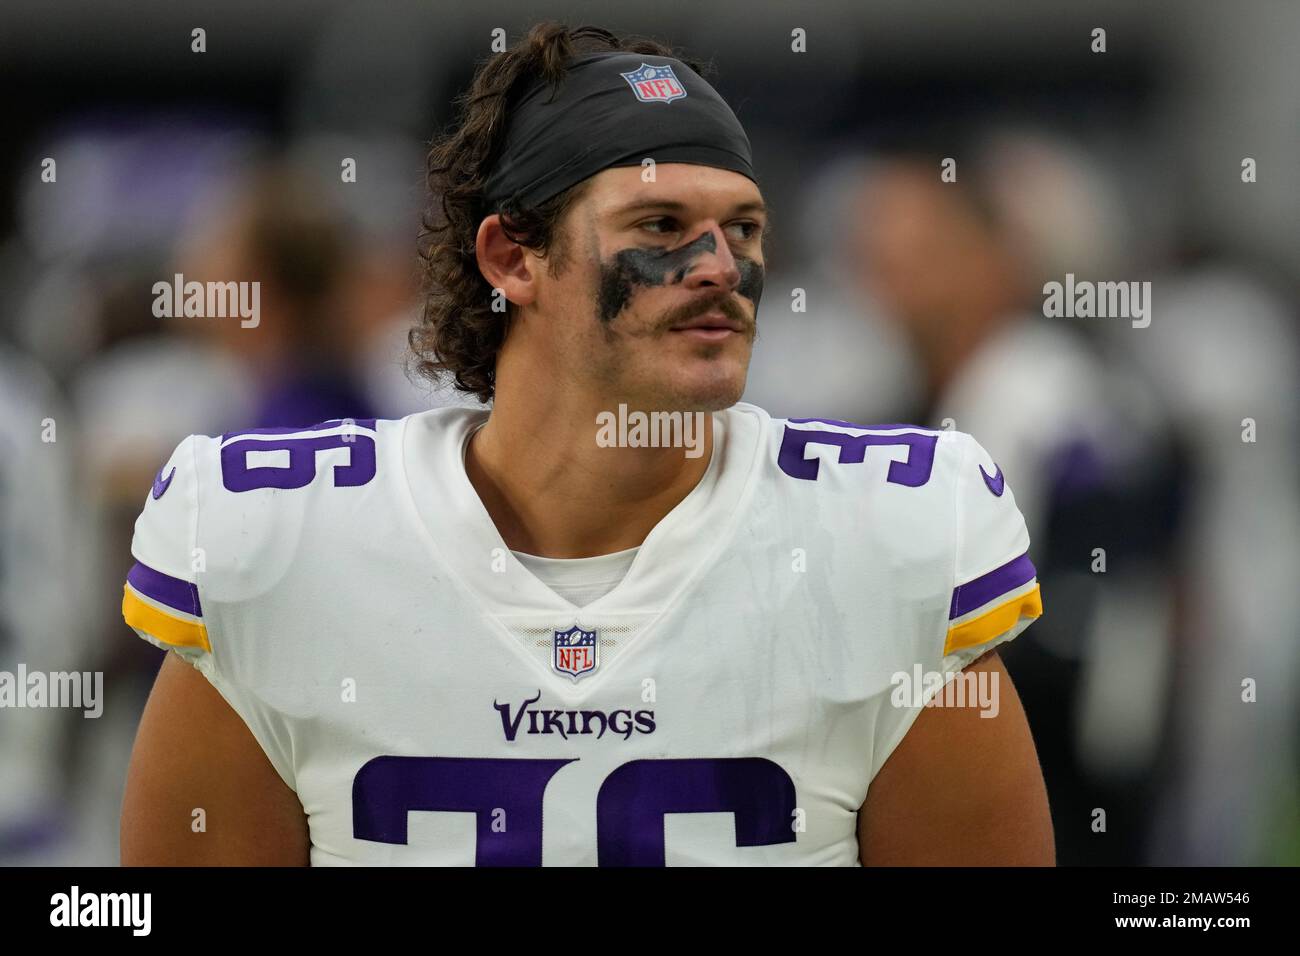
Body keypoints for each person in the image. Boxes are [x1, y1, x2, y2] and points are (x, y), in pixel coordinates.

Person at [120, 22, 1053, 866]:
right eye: (661, 226)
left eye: (744, 228)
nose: (721, 267)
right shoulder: (278, 546)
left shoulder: (884, 539)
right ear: (510, 258)